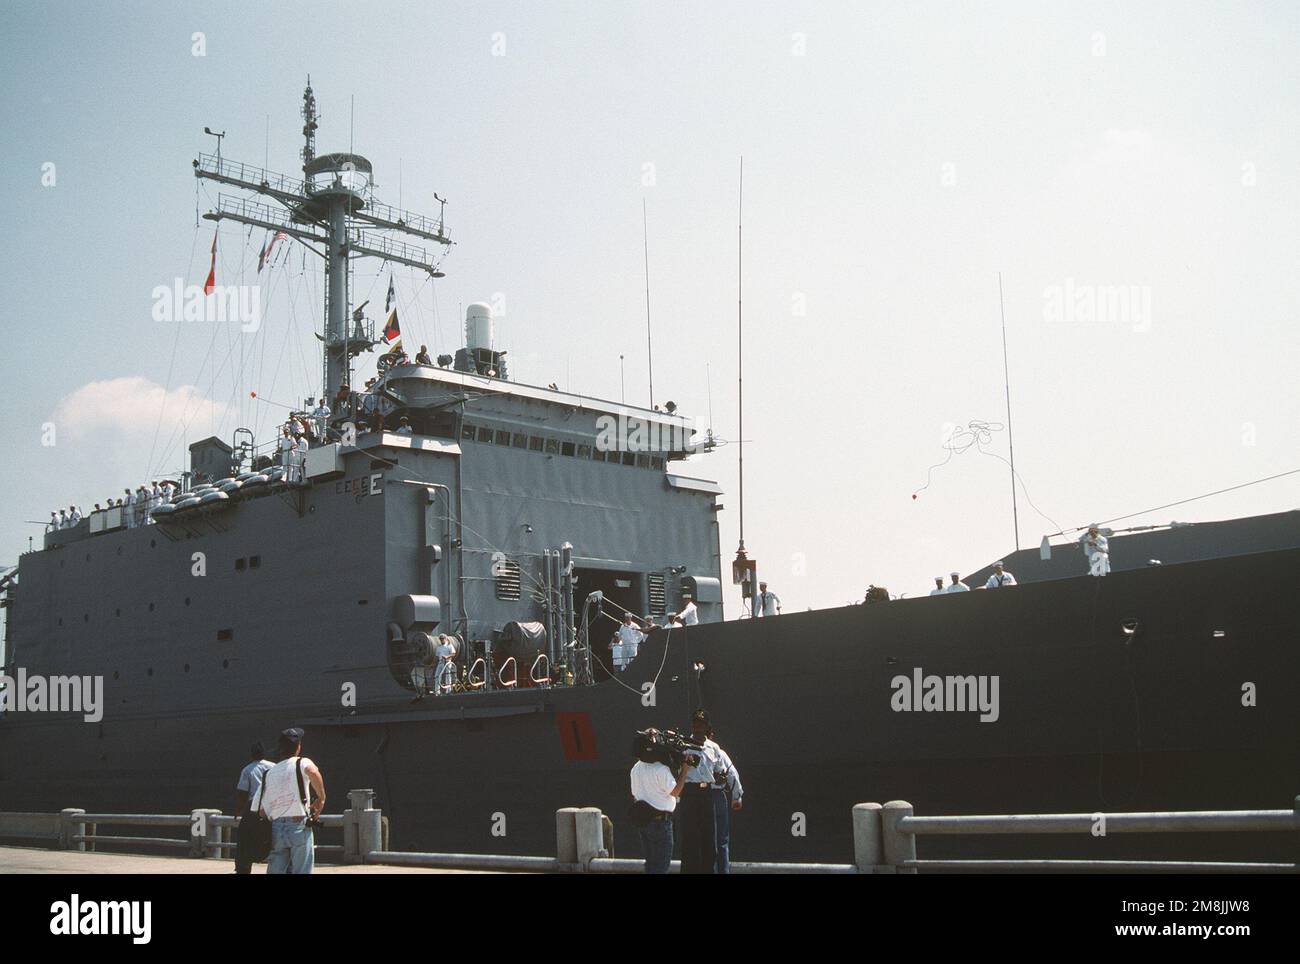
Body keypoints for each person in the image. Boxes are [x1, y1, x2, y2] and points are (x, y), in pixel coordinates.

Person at [257, 727, 325, 875]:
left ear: (280, 749)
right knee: (302, 870)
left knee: (276, 870)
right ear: (298, 747)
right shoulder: (302, 762)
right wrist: (321, 798)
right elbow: (313, 772)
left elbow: (262, 811)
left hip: (276, 827)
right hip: (298, 824)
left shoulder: (269, 773)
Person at [629, 729, 689, 874]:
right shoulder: (660, 769)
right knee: (661, 866)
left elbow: (635, 794)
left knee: (650, 866)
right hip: (661, 823)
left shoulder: (635, 768)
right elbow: (675, 791)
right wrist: (685, 770)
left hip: (644, 822)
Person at [679, 708, 731, 874]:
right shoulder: (683, 745)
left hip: (707, 793)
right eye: (695, 723)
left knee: (710, 840)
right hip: (689, 792)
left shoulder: (714, 747)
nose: (697, 727)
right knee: (690, 840)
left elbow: (719, 770)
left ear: (707, 726)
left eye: (701, 724)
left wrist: (721, 778)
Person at [696, 713, 743, 874]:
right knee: (721, 840)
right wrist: (737, 797)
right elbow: (732, 775)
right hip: (716, 797)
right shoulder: (719, 752)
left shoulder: (691, 749)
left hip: (699, 797)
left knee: (703, 839)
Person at [233, 742, 273, 875]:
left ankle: (243, 869)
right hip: (272, 808)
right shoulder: (273, 767)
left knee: (244, 841)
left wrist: (238, 811)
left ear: (252, 754)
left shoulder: (247, 770)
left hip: (253, 810)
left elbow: (242, 793)